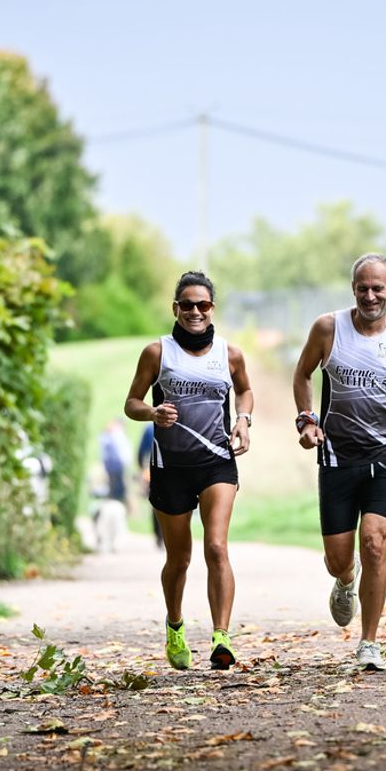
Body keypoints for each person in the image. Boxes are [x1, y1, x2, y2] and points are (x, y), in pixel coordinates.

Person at [292, 252, 386, 672]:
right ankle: (345, 580)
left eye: (379, 288)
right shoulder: (328, 328)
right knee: (338, 559)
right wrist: (307, 420)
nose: (371, 296)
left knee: (375, 542)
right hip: (337, 454)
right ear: (353, 289)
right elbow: (303, 374)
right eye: (363, 288)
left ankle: (370, 643)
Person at [125, 271, 254, 671]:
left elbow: (245, 391)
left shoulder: (229, 354)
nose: (195, 312)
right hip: (171, 467)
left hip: (216, 461)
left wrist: (244, 420)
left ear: (212, 308)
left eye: (203, 305)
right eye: (187, 305)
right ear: (175, 308)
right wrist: (151, 412)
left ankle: (221, 638)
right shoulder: (157, 353)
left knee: (216, 547)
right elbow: (131, 402)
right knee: (178, 558)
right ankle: (176, 625)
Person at [136, 422, 164, 549]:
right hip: (169, 467)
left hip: (151, 469)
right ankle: (163, 535)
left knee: (156, 503)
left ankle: (159, 536)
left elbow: (141, 452)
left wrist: (142, 468)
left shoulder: (148, 428)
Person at [99, 418, 131, 503]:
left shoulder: (114, 435)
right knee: (115, 486)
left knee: (118, 486)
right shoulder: (114, 435)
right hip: (114, 465)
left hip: (116, 465)